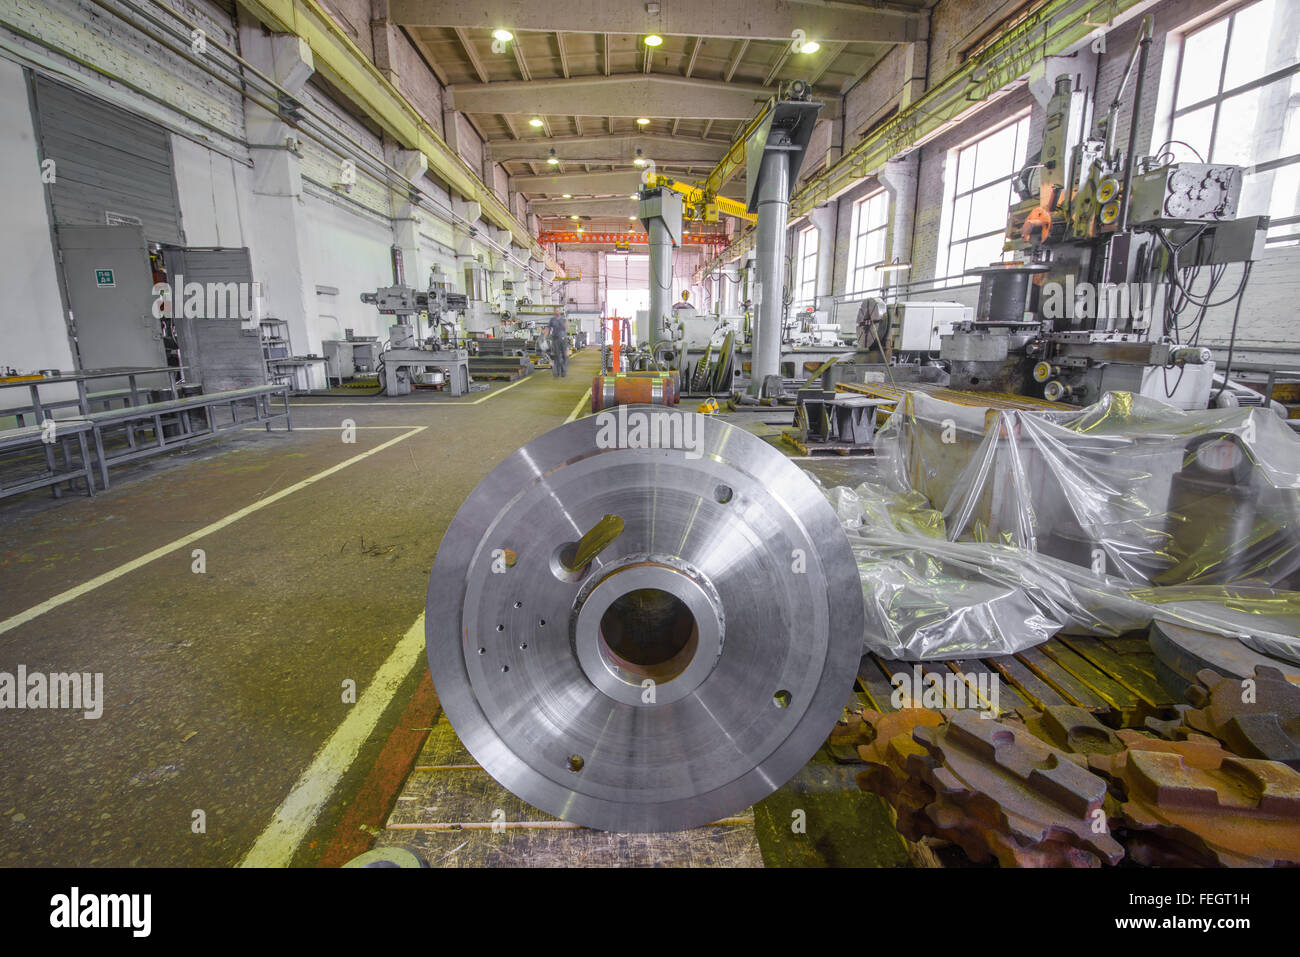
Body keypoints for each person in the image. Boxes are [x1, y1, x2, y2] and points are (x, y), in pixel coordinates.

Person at [547, 307, 569, 378]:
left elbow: (566, 327)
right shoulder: (552, 320)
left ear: (559, 312)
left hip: (563, 340)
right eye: (555, 311)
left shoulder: (563, 319)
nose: (556, 312)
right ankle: (556, 372)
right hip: (555, 339)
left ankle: (564, 371)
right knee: (556, 356)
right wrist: (543, 337)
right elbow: (548, 329)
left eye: (557, 311)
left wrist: (565, 322)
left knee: (564, 356)